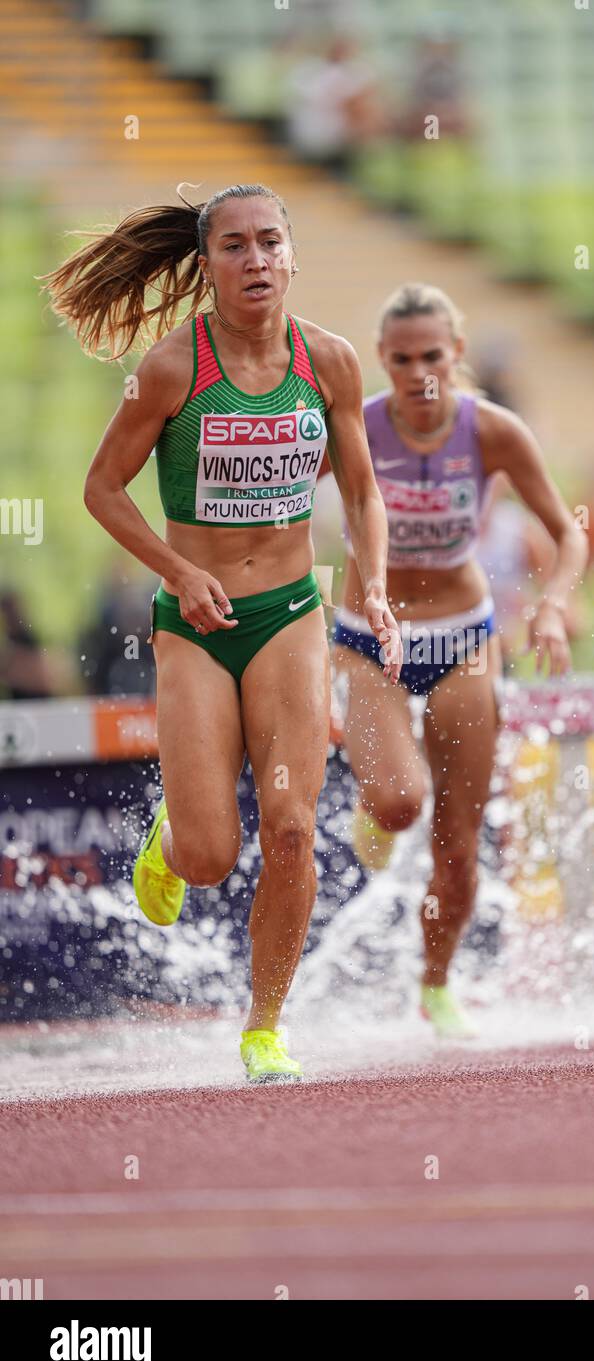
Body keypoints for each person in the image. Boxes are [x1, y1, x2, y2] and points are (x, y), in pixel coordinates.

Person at [41, 182, 402, 1081]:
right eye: (235, 246)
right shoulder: (172, 368)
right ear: (207, 266)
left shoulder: (330, 362)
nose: (256, 261)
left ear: (292, 256)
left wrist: (379, 590)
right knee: (209, 860)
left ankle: (264, 1025)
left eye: (270, 242)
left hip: (290, 617)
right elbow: (102, 490)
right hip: (198, 627)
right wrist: (178, 570)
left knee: (289, 830)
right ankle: (173, 837)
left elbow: (359, 490)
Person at [327, 283, 588, 1038]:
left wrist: (551, 604)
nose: (418, 372)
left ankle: (436, 985)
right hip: (370, 636)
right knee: (401, 802)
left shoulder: (494, 432)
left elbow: (567, 532)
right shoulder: (356, 427)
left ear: (457, 354)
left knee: (459, 841)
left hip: (465, 638)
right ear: (380, 360)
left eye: (432, 355)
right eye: (401, 358)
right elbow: (277, 501)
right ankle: (375, 811)